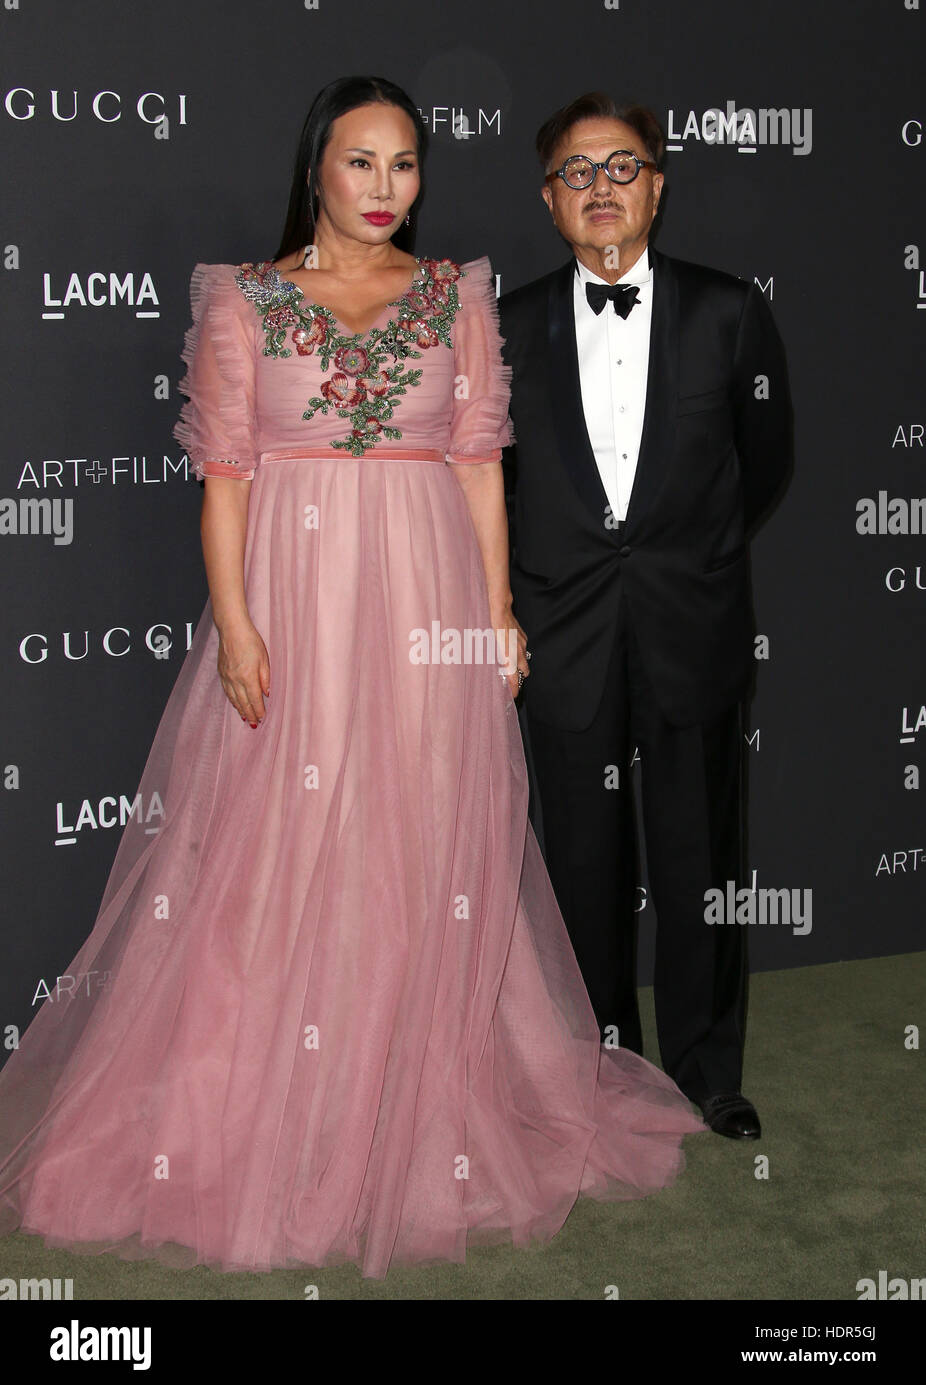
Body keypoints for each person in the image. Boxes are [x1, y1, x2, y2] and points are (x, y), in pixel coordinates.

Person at [0, 77, 704, 1281]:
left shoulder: (452, 297)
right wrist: (235, 625)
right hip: (296, 604)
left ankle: (411, 1108)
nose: (384, 187)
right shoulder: (244, 301)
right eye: (361, 161)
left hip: (428, 602)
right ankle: (263, 1112)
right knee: (272, 846)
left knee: (416, 839)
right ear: (315, 168)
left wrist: (493, 614)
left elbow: (475, 466)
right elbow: (226, 479)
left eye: (404, 164)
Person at [500, 94, 793, 1140]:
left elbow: (764, 465)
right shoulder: (505, 326)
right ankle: (599, 1075)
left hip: (690, 626)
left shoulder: (728, 312)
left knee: (700, 866)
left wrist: (688, 557)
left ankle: (710, 1072)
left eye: (621, 167)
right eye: (575, 173)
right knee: (583, 871)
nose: (600, 189)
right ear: (548, 201)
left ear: (657, 187)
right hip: (564, 634)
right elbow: (493, 484)